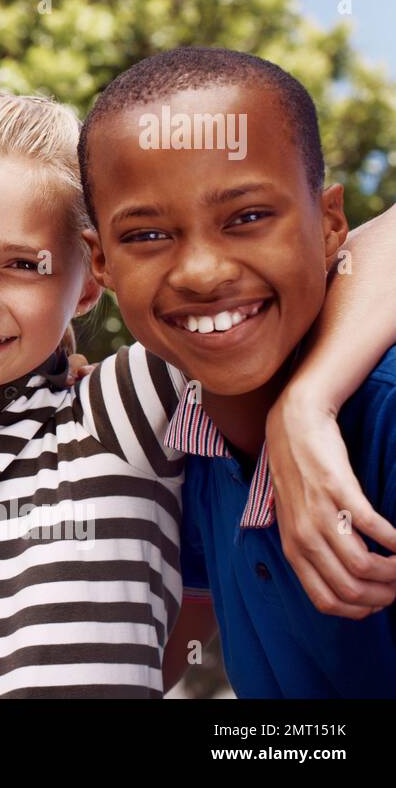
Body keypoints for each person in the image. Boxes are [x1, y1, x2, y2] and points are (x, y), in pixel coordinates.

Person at [78, 46, 396, 696]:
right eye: (145, 236)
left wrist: (307, 402)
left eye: (248, 218)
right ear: (100, 265)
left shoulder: (385, 415)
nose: (203, 271)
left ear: (331, 223)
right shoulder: (175, 448)